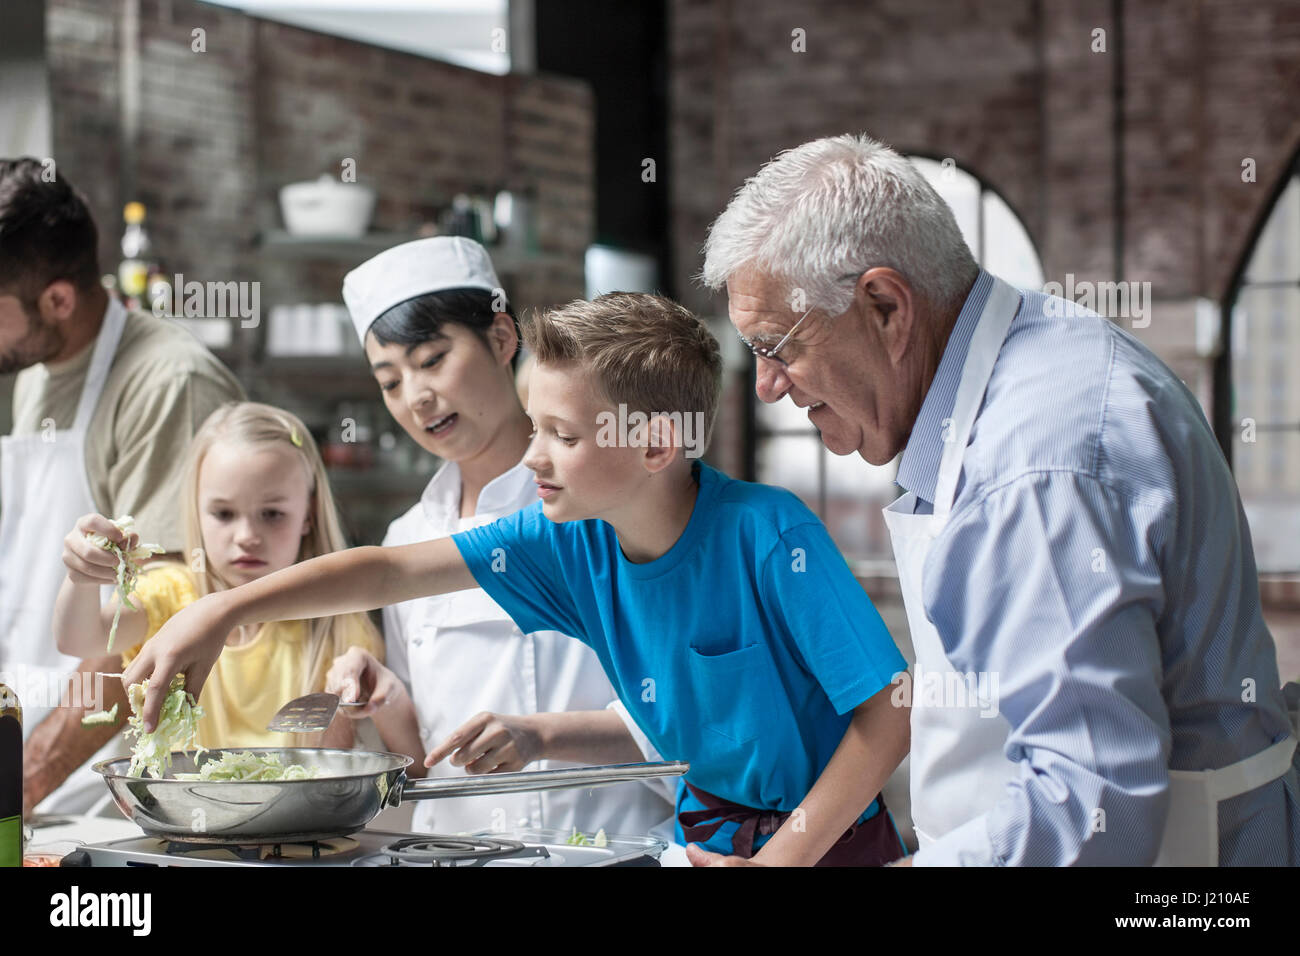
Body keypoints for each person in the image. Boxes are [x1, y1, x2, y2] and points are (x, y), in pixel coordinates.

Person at [122, 292, 912, 867]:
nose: (533, 457)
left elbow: (890, 714)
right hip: (699, 839)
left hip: (832, 846)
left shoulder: (769, 535)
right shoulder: (567, 540)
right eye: (536, 427)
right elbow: (391, 568)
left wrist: (783, 862)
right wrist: (222, 610)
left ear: (655, 446)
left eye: (562, 435)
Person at [700, 131, 1300, 866]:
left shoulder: (1036, 463)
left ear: (887, 307)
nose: (767, 386)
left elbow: (1087, 806)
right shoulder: (1004, 378)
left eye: (775, 346)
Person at [324, 236, 673, 836]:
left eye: (432, 359)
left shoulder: (604, 504)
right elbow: (419, 764)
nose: (416, 397)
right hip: (457, 851)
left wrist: (543, 735)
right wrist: (384, 697)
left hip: (611, 848)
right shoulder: (408, 536)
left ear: (503, 339)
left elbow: (681, 710)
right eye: (390, 381)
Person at [0, 158, 244, 814]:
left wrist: (22, 783)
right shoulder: (33, 371)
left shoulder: (169, 384)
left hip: (112, 788)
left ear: (57, 299)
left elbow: (167, 625)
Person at [54, 402, 382, 748]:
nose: (246, 536)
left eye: (271, 513)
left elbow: (343, 755)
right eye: (224, 513)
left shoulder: (337, 621)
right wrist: (81, 577)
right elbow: (79, 640)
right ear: (197, 512)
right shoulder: (171, 596)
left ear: (309, 515)